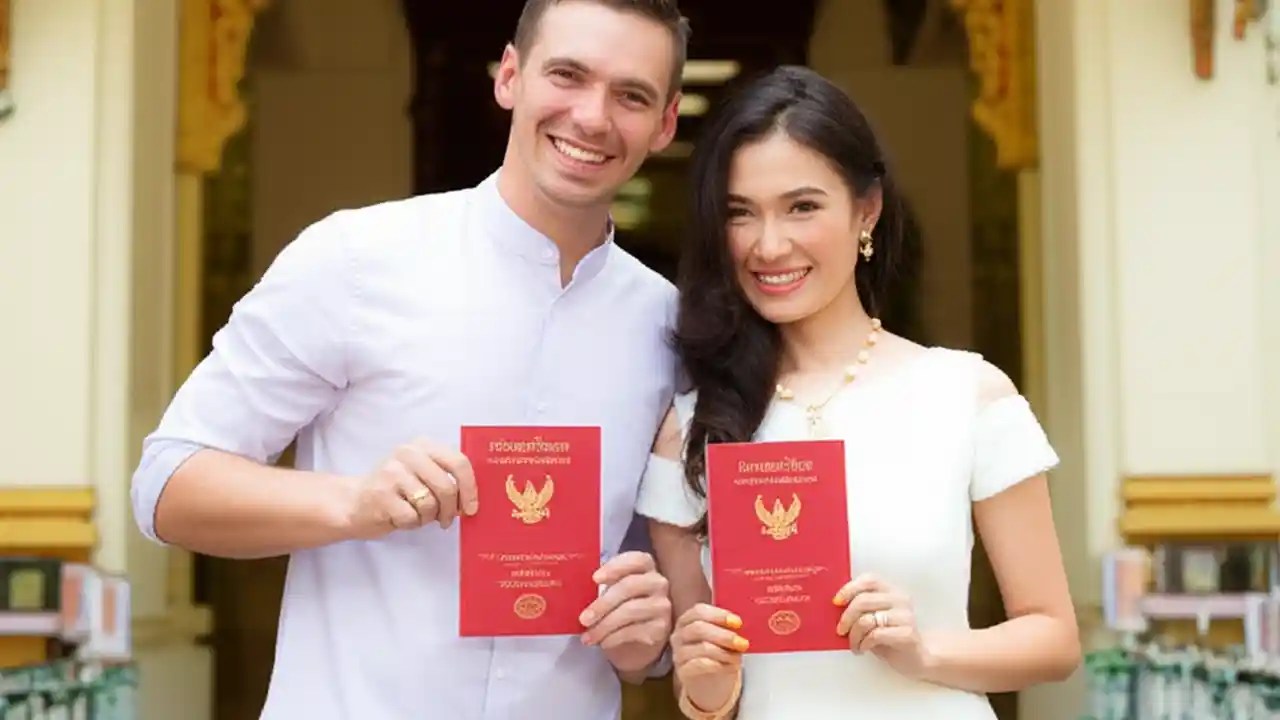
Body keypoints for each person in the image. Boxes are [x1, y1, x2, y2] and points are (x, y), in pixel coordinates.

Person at [129, 1, 692, 717]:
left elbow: (652, 588)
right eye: (568, 75)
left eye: (631, 95)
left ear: (666, 122)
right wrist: (351, 502)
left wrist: (647, 637)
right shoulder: (357, 260)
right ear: (511, 76)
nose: (591, 116)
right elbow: (167, 485)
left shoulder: (671, 326)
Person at [636, 65, 1080, 719]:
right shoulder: (691, 427)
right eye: (740, 214)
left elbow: (1054, 637)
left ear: (865, 209)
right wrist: (705, 678)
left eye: (802, 206)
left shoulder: (965, 393)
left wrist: (926, 651)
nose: (769, 244)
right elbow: (709, 699)